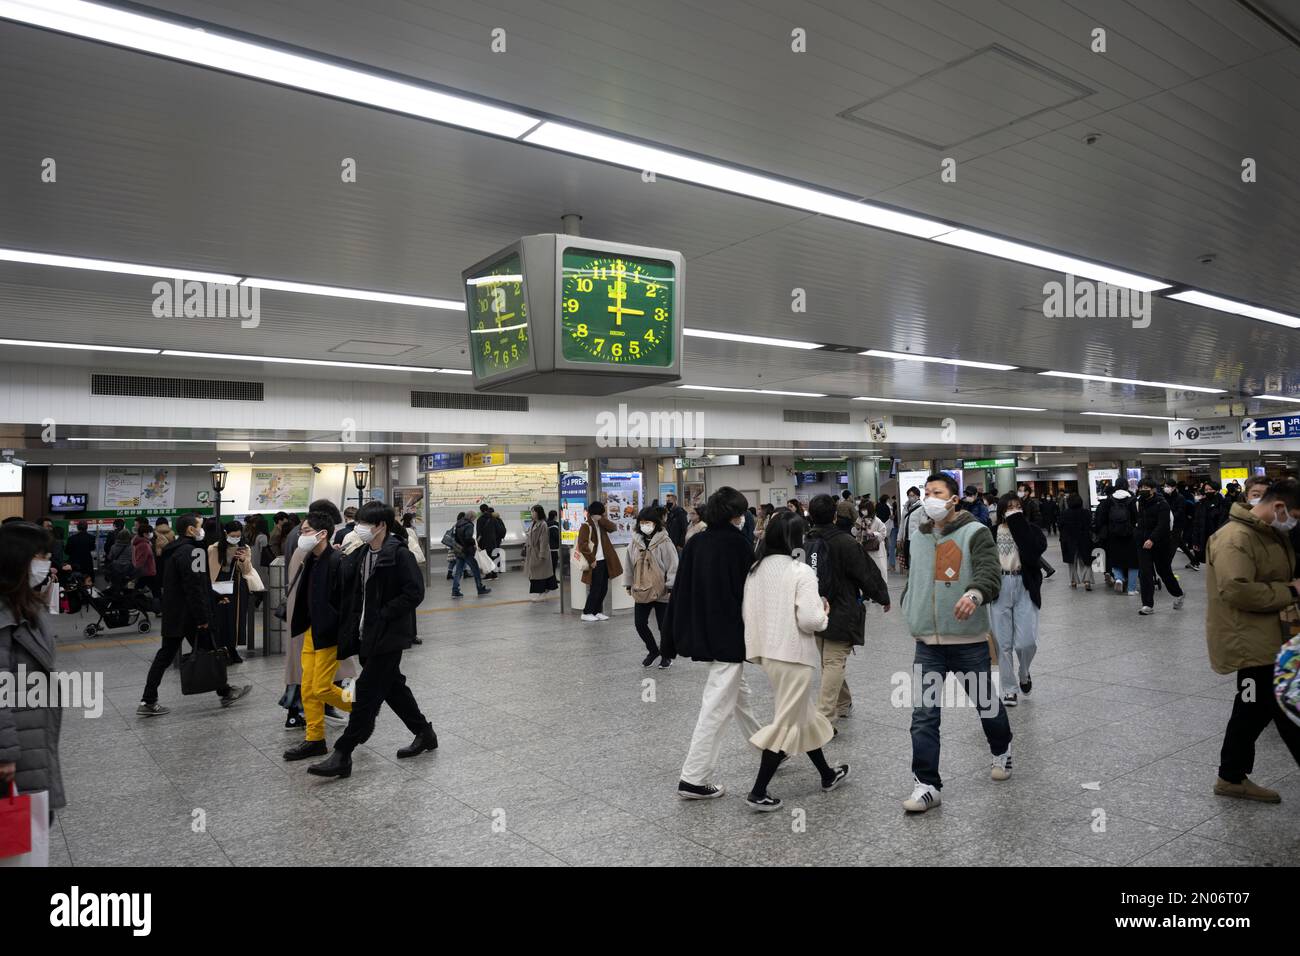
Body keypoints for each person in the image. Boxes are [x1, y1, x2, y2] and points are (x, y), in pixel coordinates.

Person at [899, 474, 1011, 813]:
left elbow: (990, 574)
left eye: (938, 493)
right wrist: (910, 607)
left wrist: (974, 594)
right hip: (928, 643)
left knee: (986, 704)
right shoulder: (918, 536)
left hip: (967, 640)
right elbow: (915, 579)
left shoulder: (975, 532)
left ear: (954, 500)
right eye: (927, 492)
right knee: (924, 715)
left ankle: (1002, 750)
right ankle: (927, 784)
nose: (930, 498)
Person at [309, 502, 436, 778]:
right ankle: (425, 733)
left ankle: (343, 753)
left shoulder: (399, 555)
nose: (359, 528)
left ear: (380, 526)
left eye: (364, 524)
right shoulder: (363, 553)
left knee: (365, 694)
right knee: (393, 689)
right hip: (367, 635)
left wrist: (385, 613)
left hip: (389, 636)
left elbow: (415, 592)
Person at [742, 511, 850, 810]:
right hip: (794, 655)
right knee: (788, 722)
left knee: (803, 716)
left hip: (769, 653)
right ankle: (758, 791)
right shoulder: (801, 572)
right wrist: (824, 613)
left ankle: (827, 774)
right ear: (793, 538)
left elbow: (748, 614)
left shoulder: (755, 569)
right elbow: (810, 619)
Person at [1205, 478, 1300, 802]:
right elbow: (1237, 590)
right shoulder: (1235, 538)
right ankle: (1230, 777)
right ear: (1279, 507)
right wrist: (1290, 591)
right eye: (1295, 515)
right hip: (1252, 642)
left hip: (1271, 637)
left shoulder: (1267, 533)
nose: (1295, 522)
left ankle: (1230, 777)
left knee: (1250, 712)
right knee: (1286, 712)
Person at [668, 488, 760, 800]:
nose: (742, 518)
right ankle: (694, 778)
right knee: (717, 706)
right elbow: (751, 594)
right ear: (734, 515)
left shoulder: (696, 543)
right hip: (730, 636)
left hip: (703, 633)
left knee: (739, 697)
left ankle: (768, 750)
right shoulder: (738, 544)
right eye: (741, 513)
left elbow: (681, 590)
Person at [137, 514, 251, 715]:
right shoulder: (193, 552)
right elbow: (194, 586)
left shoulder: (173, 551)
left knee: (182, 653)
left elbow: (192, 584)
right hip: (190, 615)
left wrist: (214, 596)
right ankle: (148, 701)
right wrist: (203, 618)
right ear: (191, 530)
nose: (202, 529)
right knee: (203, 649)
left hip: (175, 612)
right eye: (199, 526)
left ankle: (224, 691)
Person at [0, 522, 66, 829]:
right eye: (40, 556)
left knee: (30, 838)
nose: (46, 563)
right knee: (18, 841)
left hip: (32, 741)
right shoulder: (4, 616)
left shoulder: (27, 609)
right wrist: (5, 754)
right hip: (14, 751)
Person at [805, 494, 889, 727]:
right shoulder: (845, 542)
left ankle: (843, 703)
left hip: (814, 609)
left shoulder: (806, 541)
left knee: (828, 660)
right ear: (834, 515)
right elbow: (866, 573)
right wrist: (882, 596)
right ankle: (823, 719)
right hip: (842, 609)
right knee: (833, 662)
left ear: (810, 515)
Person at [282, 509, 353, 762]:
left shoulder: (338, 561)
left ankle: (360, 706)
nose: (301, 535)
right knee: (308, 690)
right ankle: (315, 739)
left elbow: (347, 604)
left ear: (322, 534)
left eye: (306, 531)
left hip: (328, 635)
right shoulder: (309, 559)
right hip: (310, 631)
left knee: (322, 688)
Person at [991, 493, 1046, 707]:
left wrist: (1018, 525)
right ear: (1002, 510)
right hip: (1000, 586)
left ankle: (1024, 672)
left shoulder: (1031, 531)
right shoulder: (991, 531)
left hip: (1024, 585)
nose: (1014, 510)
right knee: (1003, 644)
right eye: (1010, 507)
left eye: (1018, 506)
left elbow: (1033, 554)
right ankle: (1009, 689)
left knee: (1027, 641)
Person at [625, 506, 678, 667]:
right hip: (641, 588)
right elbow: (628, 564)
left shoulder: (665, 541)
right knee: (640, 623)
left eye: (647, 522)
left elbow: (673, 565)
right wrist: (628, 583)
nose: (644, 525)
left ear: (655, 523)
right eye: (642, 522)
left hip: (662, 590)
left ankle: (666, 654)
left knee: (664, 626)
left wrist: (671, 586)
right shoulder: (635, 542)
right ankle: (653, 650)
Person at [208, 520, 257, 665]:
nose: (236, 538)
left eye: (238, 535)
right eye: (233, 535)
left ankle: (233, 648)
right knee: (221, 618)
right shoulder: (214, 548)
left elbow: (247, 570)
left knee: (236, 618)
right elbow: (211, 570)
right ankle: (220, 649)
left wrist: (243, 560)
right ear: (226, 533)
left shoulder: (244, 548)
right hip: (219, 585)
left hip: (238, 586)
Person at [1135, 477, 1185, 615]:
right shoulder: (1139, 502)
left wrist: (1152, 539)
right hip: (1143, 544)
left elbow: (1163, 524)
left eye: (1146, 488)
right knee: (1145, 573)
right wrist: (1138, 536)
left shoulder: (1162, 504)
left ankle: (1178, 594)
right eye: (1141, 488)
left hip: (1160, 543)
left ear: (1153, 489)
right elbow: (1136, 520)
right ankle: (1147, 605)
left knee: (1164, 571)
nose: (1143, 490)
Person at [576, 501, 621, 622]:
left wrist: (601, 520)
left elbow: (613, 528)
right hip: (595, 561)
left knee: (603, 588)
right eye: (600, 514)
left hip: (604, 560)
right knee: (595, 588)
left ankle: (596, 611)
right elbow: (582, 545)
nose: (602, 516)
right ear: (594, 514)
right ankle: (587, 612)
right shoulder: (586, 526)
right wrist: (591, 560)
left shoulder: (600, 524)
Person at [1096, 480, 1139, 595]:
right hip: (1130, 535)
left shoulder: (1108, 501)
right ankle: (1131, 589)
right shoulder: (1133, 500)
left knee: (1116, 560)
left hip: (1113, 535)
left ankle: (1119, 578)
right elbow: (1137, 518)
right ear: (1126, 486)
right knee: (1133, 562)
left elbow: (1101, 520)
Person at [1058, 493, 1095, 590]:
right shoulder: (1086, 513)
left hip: (1069, 540)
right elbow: (1090, 526)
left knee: (1072, 562)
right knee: (1086, 561)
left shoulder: (1064, 513)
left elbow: (1060, 527)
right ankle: (1087, 580)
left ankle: (1073, 581)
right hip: (1084, 539)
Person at [449, 510, 490, 598]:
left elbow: (455, 537)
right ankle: (480, 588)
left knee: (458, 571)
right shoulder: (469, 525)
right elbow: (468, 538)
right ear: (471, 517)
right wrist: (474, 542)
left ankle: (455, 590)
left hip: (458, 550)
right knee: (476, 570)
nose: (474, 520)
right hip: (467, 551)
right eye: (474, 518)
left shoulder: (458, 523)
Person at [1192, 479, 1229, 570]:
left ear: (1216, 490)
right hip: (1205, 536)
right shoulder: (1201, 504)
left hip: (1220, 536)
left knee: (1222, 562)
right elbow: (1196, 523)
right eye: (1206, 490)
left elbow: (1225, 520)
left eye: (1210, 489)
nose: (1208, 491)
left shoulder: (1224, 503)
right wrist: (1195, 540)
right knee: (1210, 562)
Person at [524, 505, 558, 601]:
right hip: (532, 553)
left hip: (539, 553)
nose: (532, 513)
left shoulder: (543, 524)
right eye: (531, 512)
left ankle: (542, 593)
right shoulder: (533, 523)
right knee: (537, 574)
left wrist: (542, 554)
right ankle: (542, 592)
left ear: (538, 512)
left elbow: (544, 541)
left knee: (541, 575)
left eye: (533, 511)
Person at [853, 499, 890, 581]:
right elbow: (855, 533)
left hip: (875, 550)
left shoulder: (877, 521)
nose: (863, 511)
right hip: (863, 549)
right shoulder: (859, 519)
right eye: (862, 509)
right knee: (865, 575)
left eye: (865, 509)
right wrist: (858, 529)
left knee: (879, 573)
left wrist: (873, 534)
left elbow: (883, 534)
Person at [131, 518, 160, 603]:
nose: (151, 534)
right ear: (144, 534)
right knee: (156, 591)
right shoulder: (144, 545)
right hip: (147, 572)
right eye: (149, 532)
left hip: (146, 572)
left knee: (153, 590)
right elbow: (140, 561)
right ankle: (159, 609)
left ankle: (133, 606)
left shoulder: (143, 543)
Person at [475, 503, 506, 579]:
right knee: (493, 557)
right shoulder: (493, 518)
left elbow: (478, 532)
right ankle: (494, 574)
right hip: (493, 541)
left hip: (483, 542)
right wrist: (496, 538)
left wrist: (477, 543)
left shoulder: (480, 519)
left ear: (481, 510)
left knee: (486, 558)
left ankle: (488, 574)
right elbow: (498, 530)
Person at [896, 486, 924, 570]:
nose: (910, 498)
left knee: (915, 561)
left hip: (916, 539)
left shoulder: (922, 508)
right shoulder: (906, 508)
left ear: (918, 496)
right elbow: (902, 524)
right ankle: (910, 576)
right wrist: (899, 538)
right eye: (909, 496)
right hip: (906, 539)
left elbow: (923, 525)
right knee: (907, 560)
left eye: (913, 495)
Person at [65, 518, 95, 583]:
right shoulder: (91, 537)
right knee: (88, 580)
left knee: (75, 581)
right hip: (87, 562)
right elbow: (92, 548)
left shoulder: (71, 538)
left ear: (77, 528)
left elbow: (67, 551)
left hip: (75, 563)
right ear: (87, 527)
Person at [546, 509, 561, 578]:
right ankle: (553, 579)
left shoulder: (546, 523)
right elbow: (556, 536)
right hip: (553, 548)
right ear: (555, 516)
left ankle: (552, 579)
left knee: (550, 565)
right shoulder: (554, 525)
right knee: (553, 564)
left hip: (547, 547)